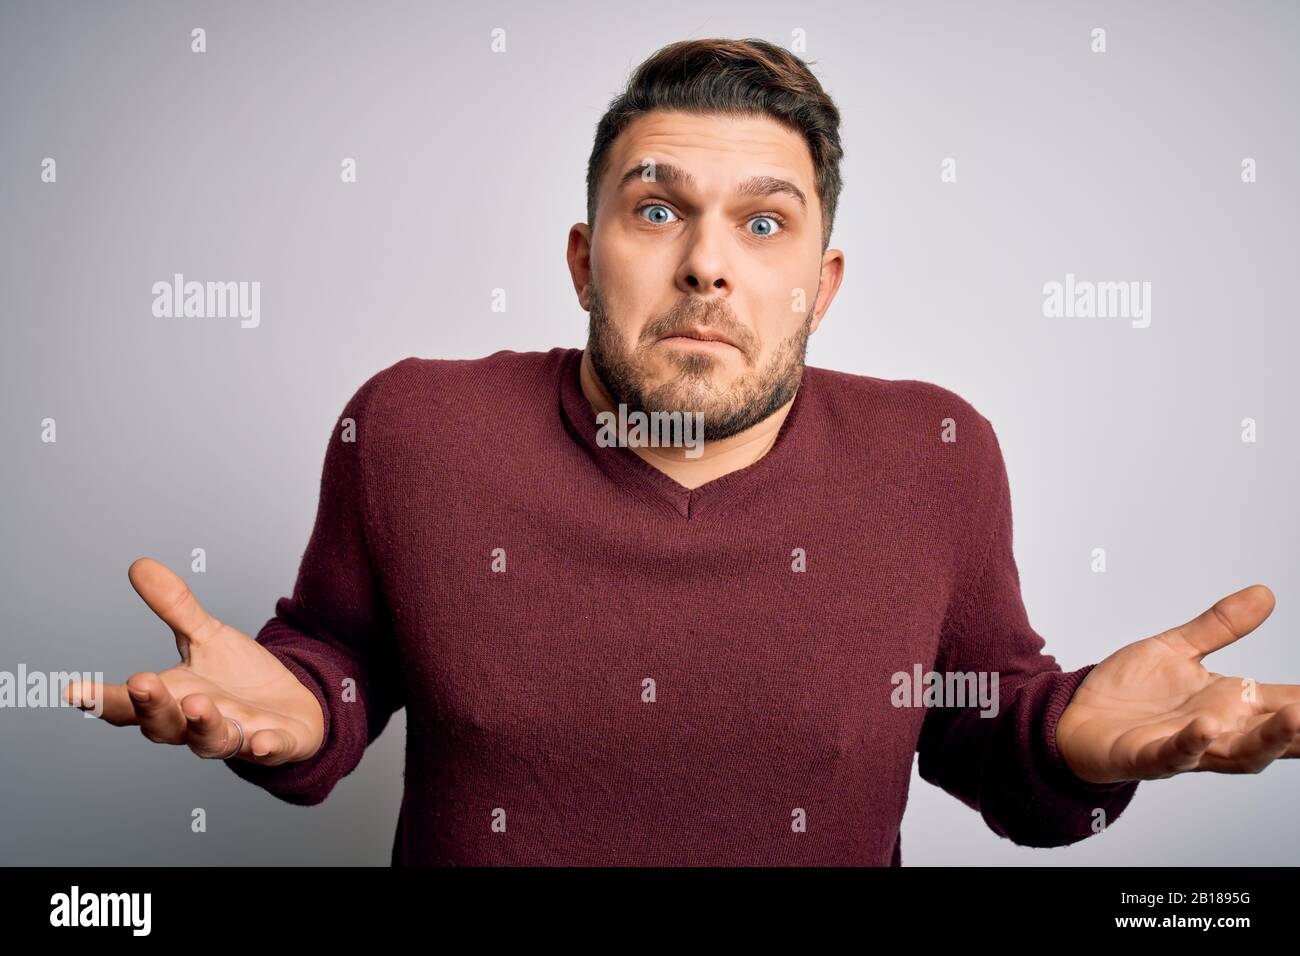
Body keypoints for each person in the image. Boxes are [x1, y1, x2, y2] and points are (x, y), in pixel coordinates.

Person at [66, 38, 1298, 866]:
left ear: (819, 286)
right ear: (581, 257)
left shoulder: (936, 453)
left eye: (762, 223)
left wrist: (1070, 734)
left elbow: (979, 727)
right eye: (657, 210)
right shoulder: (411, 428)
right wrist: (292, 703)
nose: (706, 261)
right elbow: (335, 665)